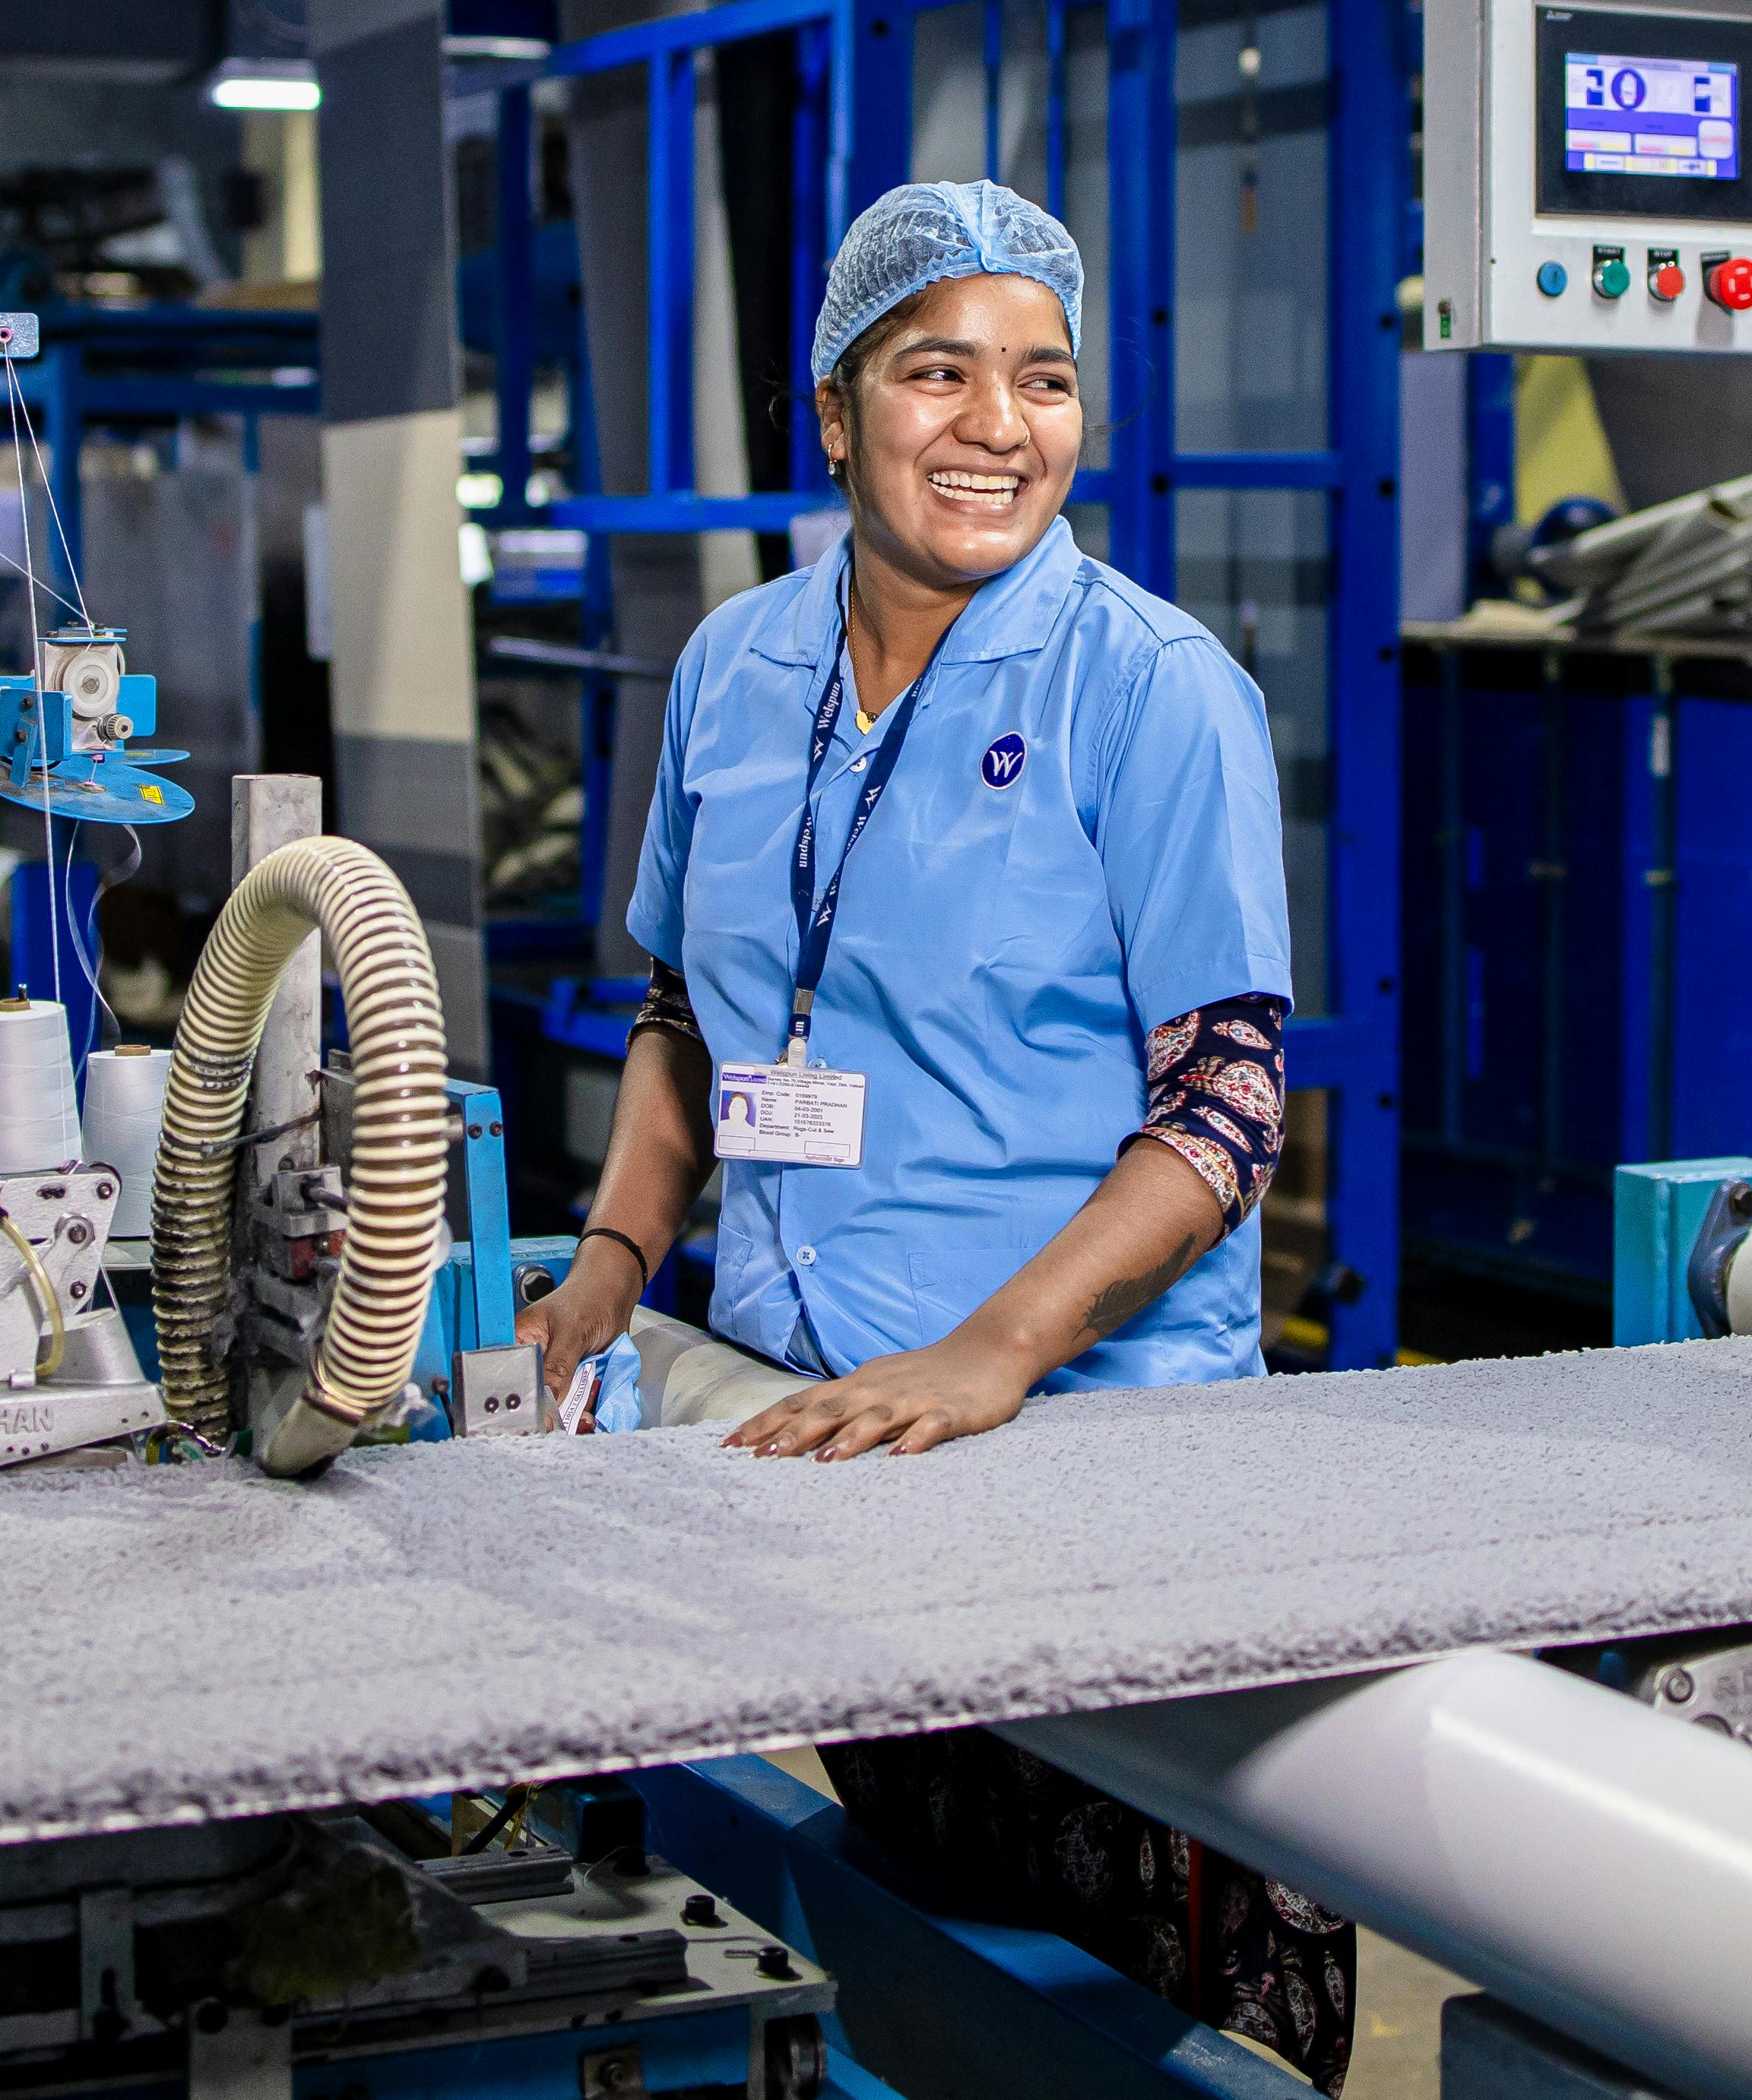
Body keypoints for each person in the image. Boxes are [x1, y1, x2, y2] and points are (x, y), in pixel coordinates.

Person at [512, 177, 1352, 2086]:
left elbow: (1228, 1103)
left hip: (1094, 1475)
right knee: (936, 1954)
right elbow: (686, 1013)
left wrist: (998, 1350)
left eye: (1044, 378)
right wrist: (613, 1266)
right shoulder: (733, 669)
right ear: (835, 409)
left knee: (1153, 2022)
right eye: (937, 370)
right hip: (834, 1452)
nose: (998, 423)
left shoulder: (1151, 689)